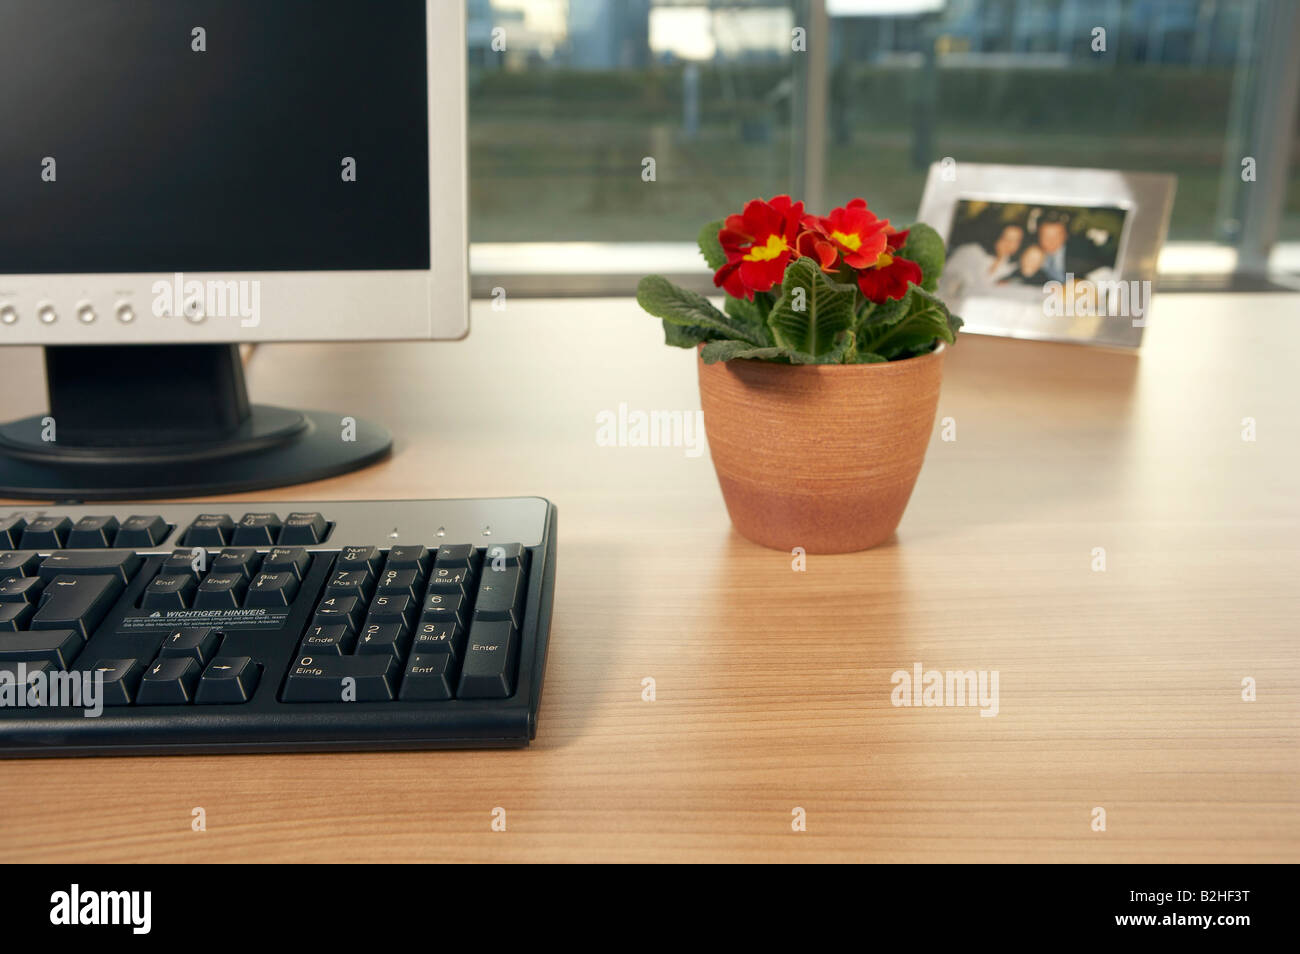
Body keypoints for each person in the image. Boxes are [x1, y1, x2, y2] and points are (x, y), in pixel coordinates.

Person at [939, 223, 1023, 300]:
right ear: (997, 236)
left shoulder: (1013, 269)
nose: (1008, 243)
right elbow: (945, 275)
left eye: (1015, 240)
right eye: (1005, 237)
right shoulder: (971, 251)